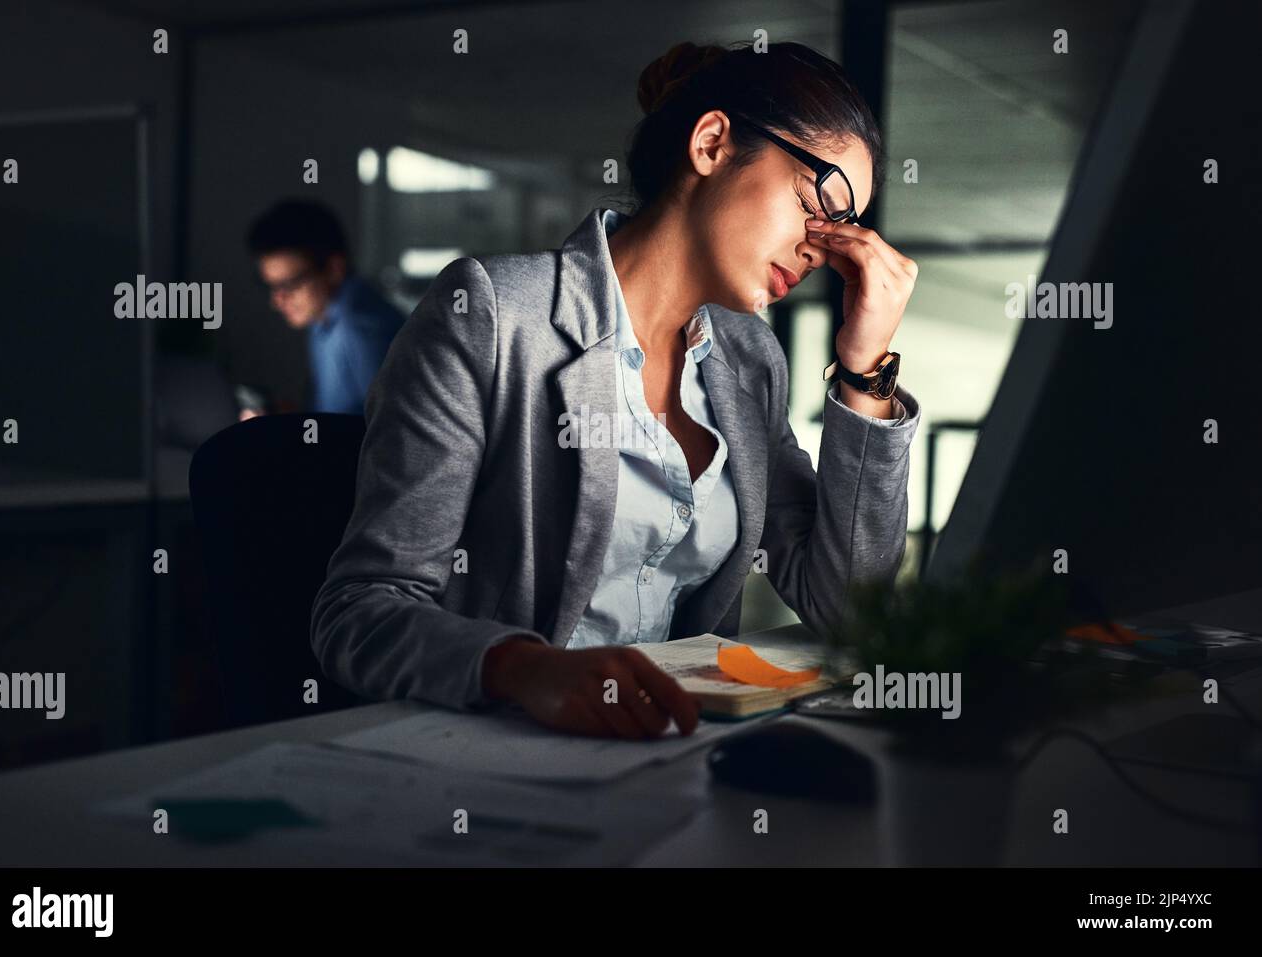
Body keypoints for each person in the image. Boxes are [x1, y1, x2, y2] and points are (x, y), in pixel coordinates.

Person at [311, 40, 922, 739]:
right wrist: (521, 668)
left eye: (847, 225)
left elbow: (848, 607)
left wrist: (863, 367)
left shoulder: (749, 361)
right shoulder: (493, 314)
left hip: (668, 757)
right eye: (824, 201)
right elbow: (359, 608)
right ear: (713, 143)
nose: (825, 245)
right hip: (492, 756)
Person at [246, 199, 406, 415]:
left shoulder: (361, 327)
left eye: (290, 284)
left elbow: (389, 436)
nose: (277, 301)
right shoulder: (322, 316)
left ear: (333, 269)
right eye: (272, 287)